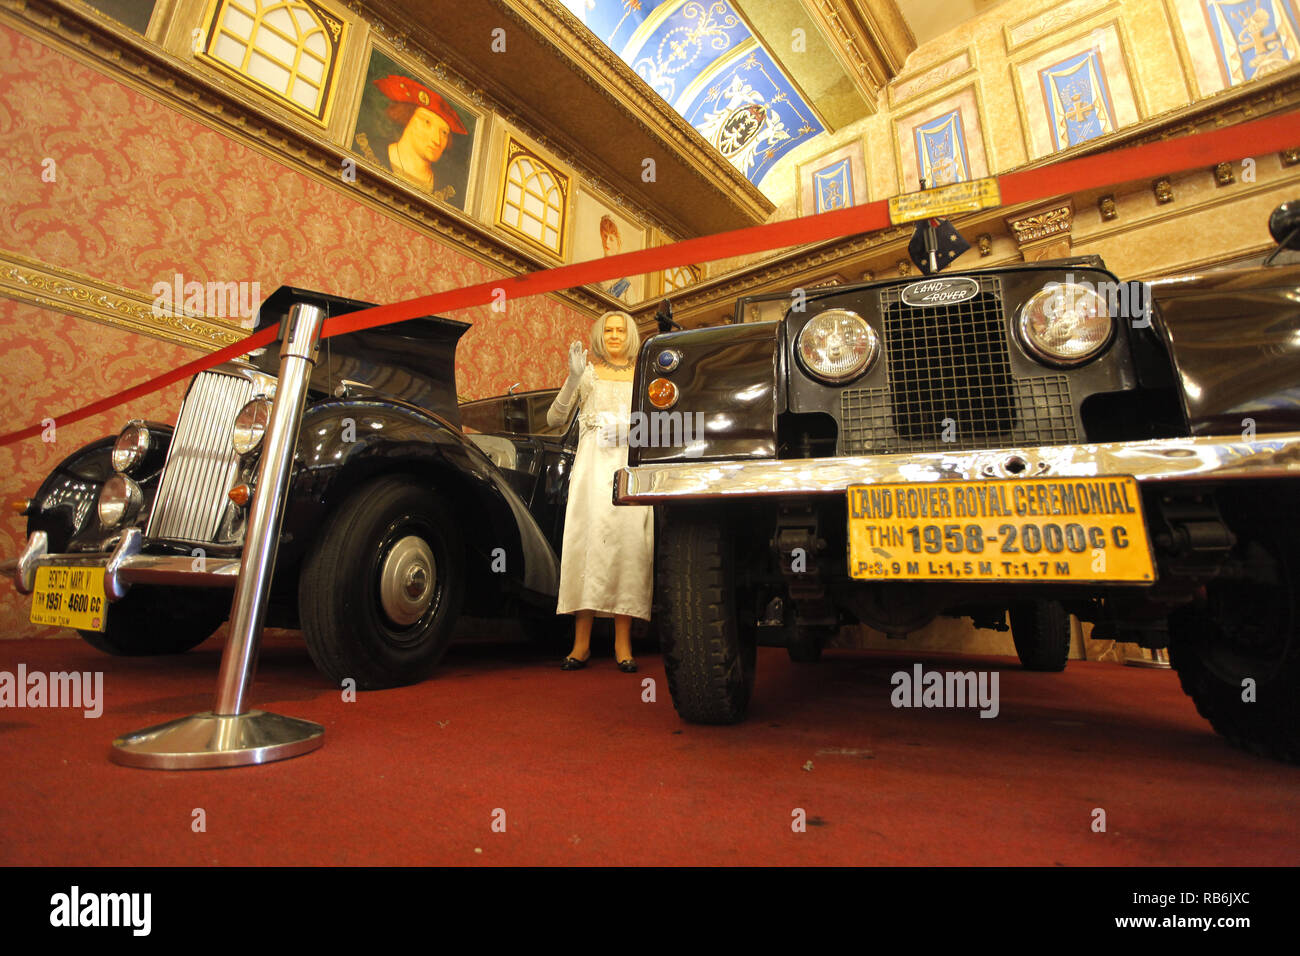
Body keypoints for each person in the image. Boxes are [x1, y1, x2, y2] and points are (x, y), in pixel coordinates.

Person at [547, 311, 653, 671]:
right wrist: (573, 379)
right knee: (588, 547)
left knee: (628, 547)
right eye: (607, 329)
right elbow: (554, 420)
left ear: (631, 335)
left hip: (628, 471)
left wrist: (632, 434)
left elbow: (662, 430)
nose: (613, 335)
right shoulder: (587, 374)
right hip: (591, 472)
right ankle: (581, 644)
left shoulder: (644, 375)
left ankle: (623, 644)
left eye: (620, 329)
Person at [365, 74, 467, 198]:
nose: (437, 140)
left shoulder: (450, 191)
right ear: (408, 118)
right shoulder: (367, 150)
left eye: (444, 132)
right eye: (427, 122)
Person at [599, 215, 632, 299]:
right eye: (605, 236)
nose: (607, 242)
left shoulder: (626, 286)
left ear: (619, 244)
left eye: (611, 239)